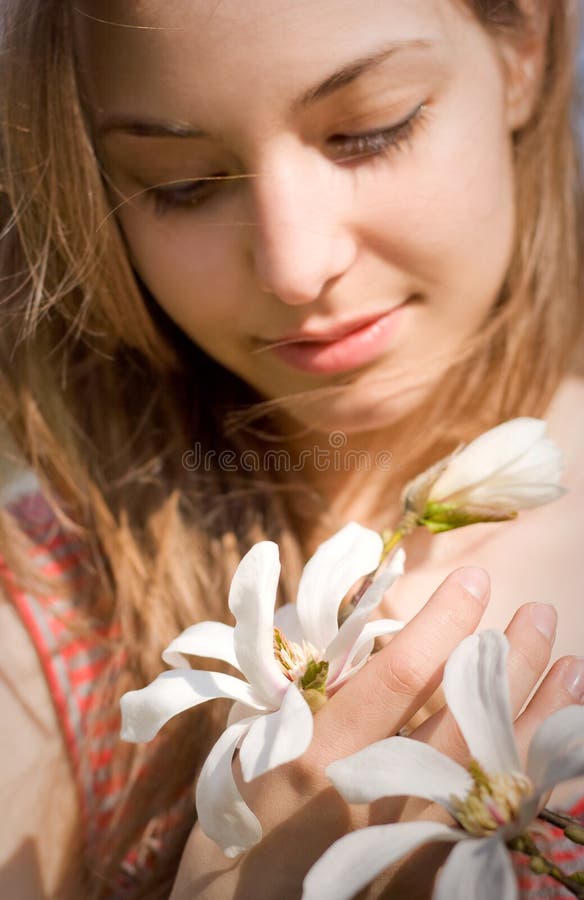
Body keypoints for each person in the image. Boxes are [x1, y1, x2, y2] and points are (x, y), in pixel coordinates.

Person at [0, 0, 583, 897]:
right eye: (181, 181)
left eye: (366, 133)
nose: (294, 265)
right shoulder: (54, 604)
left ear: (525, 45)